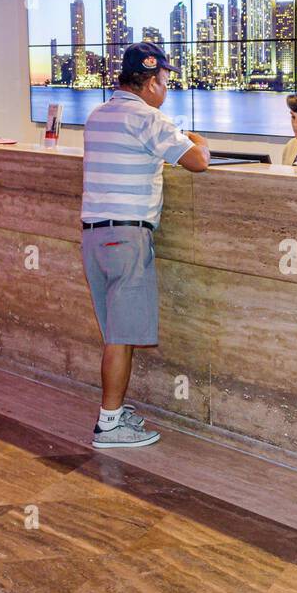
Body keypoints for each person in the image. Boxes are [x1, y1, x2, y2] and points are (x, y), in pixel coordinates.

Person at [82, 42, 211, 449]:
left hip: (94, 235)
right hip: (127, 237)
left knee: (114, 333)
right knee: (121, 336)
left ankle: (116, 413)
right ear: (152, 83)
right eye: (166, 81)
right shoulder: (147, 118)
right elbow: (198, 161)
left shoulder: (98, 115)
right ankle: (108, 424)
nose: (166, 89)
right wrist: (196, 138)